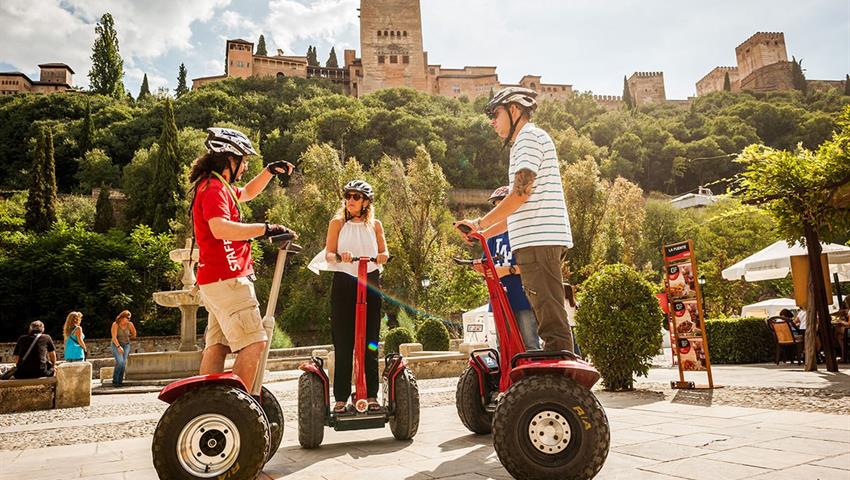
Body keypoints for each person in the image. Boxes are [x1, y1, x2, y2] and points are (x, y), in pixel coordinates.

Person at [456, 87, 574, 353]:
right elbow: (515, 213)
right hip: (536, 240)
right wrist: (480, 232)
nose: (492, 121)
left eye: (495, 113)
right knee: (547, 314)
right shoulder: (527, 141)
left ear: (514, 110)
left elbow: (520, 194)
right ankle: (556, 380)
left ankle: (560, 384)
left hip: (539, 240)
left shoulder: (528, 139)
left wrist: (481, 223)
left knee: (550, 321)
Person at [191, 127, 295, 391]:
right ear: (230, 159)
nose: (246, 165)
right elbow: (220, 228)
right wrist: (265, 229)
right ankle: (238, 410)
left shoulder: (217, 186)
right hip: (228, 278)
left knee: (218, 345)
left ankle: (207, 404)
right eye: (244, 160)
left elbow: (247, 192)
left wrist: (269, 172)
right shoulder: (214, 189)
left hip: (214, 280)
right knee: (254, 342)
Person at [308, 180, 389, 414]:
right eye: (348, 196)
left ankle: (371, 395)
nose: (351, 200)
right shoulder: (337, 223)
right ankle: (341, 398)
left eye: (356, 197)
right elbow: (329, 254)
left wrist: (383, 256)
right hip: (344, 280)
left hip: (371, 280)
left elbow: (384, 251)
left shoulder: (375, 225)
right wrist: (339, 257)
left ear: (366, 202)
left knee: (370, 340)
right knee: (343, 342)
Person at [473, 186, 540, 350]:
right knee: (504, 345)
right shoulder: (491, 236)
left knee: (530, 343)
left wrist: (507, 270)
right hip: (500, 298)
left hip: (523, 297)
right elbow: (488, 266)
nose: (498, 209)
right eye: (495, 205)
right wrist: (481, 268)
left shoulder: (524, 232)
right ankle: (507, 375)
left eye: (502, 204)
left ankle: (534, 375)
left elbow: (535, 265)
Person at [110, 310, 137, 386]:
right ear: (122, 317)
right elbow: (114, 338)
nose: (129, 319)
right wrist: (118, 347)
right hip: (116, 344)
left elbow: (134, 334)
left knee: (123, 363)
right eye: (127, 318)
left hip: (126, 345)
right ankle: (115, 381)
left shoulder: (130, 324)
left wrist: (129, 336)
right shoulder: (115, 324)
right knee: (120, 362)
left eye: (129, 318)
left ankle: (120, 381)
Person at [564, 283, 581, 356]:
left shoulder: (563, 302)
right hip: (574, 324)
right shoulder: (574, 303)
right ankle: (579, 357)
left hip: (567, 325)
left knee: (572, 345)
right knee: (575, 344)